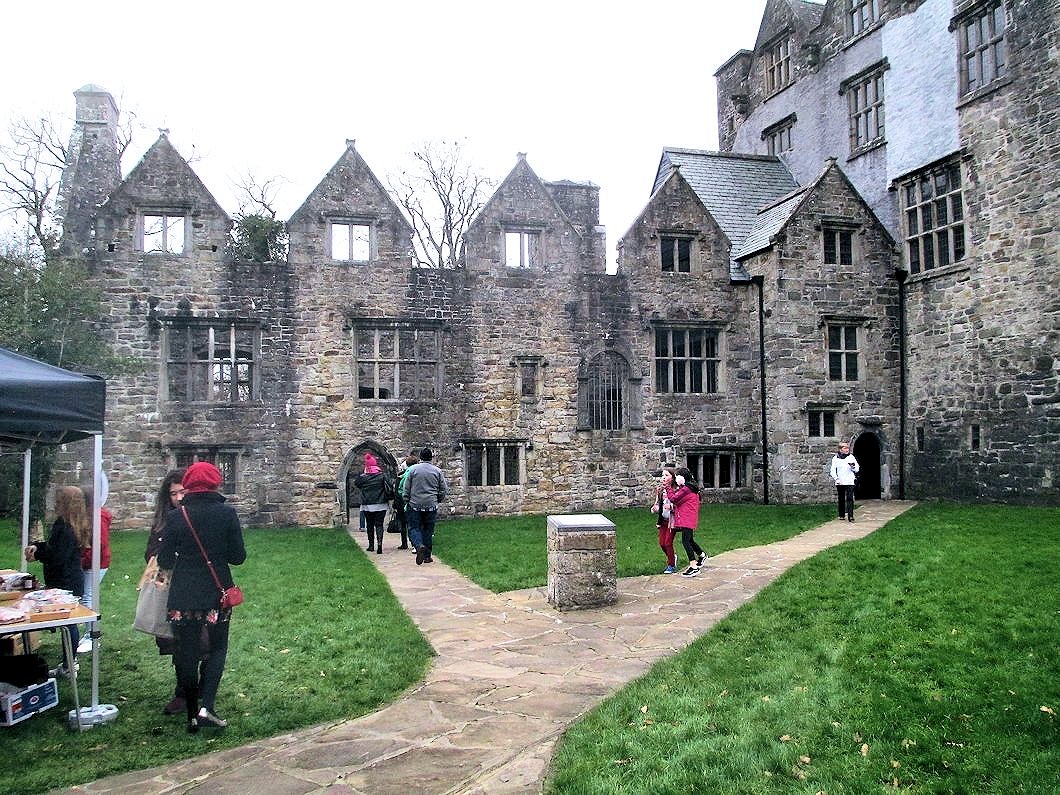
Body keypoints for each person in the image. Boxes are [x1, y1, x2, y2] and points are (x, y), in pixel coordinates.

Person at [158, 461, 246, 733]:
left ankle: (192, 716)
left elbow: (164, 560)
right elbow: (238, 557)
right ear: (215, 484)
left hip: (183, 596)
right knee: (217, 648)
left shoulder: (176, 517)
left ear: (190, 486)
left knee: (187, 652)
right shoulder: (227, 514)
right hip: (215, 594)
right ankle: (206, 705)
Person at [25, 485, 88, 675]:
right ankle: (69, 662)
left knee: (69, 625)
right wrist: (38, 546)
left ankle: (70, 664)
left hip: (67, 581)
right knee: (67, 625)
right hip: (67, 579)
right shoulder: (69, 523)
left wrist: (39, 554)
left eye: (59, 501)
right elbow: (54, 547)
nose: (54, 504)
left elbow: (58, 556)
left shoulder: (67, 527)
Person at [147, 469, 187, 716]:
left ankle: (199, 688)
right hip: (170, 589)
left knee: (202, 642)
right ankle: (182, 692)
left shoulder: (196, 516)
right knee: (177, 642)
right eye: (174, 493)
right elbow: (151, 551)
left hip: (195, 586)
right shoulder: (164, 521)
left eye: (183, 491)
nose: (179, 497)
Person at [77, 484, 112, 654]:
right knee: (86, 596)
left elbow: (100, 543)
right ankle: (88, 634)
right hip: (90, 561)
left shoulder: (98, 516)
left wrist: (86, 558)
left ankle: (92, 636)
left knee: (88, 597)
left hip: (96, 562)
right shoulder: (91, 515)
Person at [403, 447, 448, 565]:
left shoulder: (413, 470)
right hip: (431, 505)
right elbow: (443, 489)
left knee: (414, 527)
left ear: (420, 458)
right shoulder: (437, 471)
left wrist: (406, 499)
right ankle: (427, 556)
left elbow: (406, 487)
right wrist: (437, 499)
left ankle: (419, 546)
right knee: (428, 530)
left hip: (415, 504)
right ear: (431, 458)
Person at [668, 467, 706, 577]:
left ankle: (693, 567)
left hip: (687, 518)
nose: (675, 479)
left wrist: (668, 488)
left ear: (682, 477)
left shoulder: (687, 488)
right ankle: (702, 555)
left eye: (677, 477)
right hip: (689, 517)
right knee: (690, 540)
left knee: (686, 541)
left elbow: (674, 499)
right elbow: (680, 501)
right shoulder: (689, 487)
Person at [354, 452, 392, 554]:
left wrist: (363, 473)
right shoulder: (382, 476)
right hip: (381, 504)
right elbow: (389, 487)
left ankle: (371, 546)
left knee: (370, 525)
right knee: (379, 525)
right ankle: (379, 544)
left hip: (367, 504)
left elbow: (356, 483)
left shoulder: (363, 477)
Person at [649, 467, 677, 573]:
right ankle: (672, 557)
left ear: (672, 478)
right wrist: (654, 508)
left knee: (668, 543)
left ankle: (671, 565)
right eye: (662, 475)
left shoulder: (677, 489)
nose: (663, 478)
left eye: (666, 475)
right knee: (662, 543)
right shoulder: (660, 490)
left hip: (672, 521)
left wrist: (671, 507)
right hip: (663, 520)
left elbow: (679, 504)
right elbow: (657, 504)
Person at [393, 453, 419, 551]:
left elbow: (397, 491)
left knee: (403, 524)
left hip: (402, 502)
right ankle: (414, 543)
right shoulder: (418, 474)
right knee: (413, 524)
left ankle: (404, 543)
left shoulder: (401, 476)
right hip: (414, 501)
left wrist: (396, 503)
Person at [830, 441, 860, 522]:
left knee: (850, 498)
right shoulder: (835, 458)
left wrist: (853, 467)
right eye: (845, 448)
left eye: (848, 448)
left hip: (850, 480)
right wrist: (836, 478)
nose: (847, 449)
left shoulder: (851, 457)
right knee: (841, 498)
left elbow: (857, 469)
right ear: (840, 449)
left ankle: (851, 516)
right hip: (840, 481)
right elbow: (832, 470)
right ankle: (841, 515)